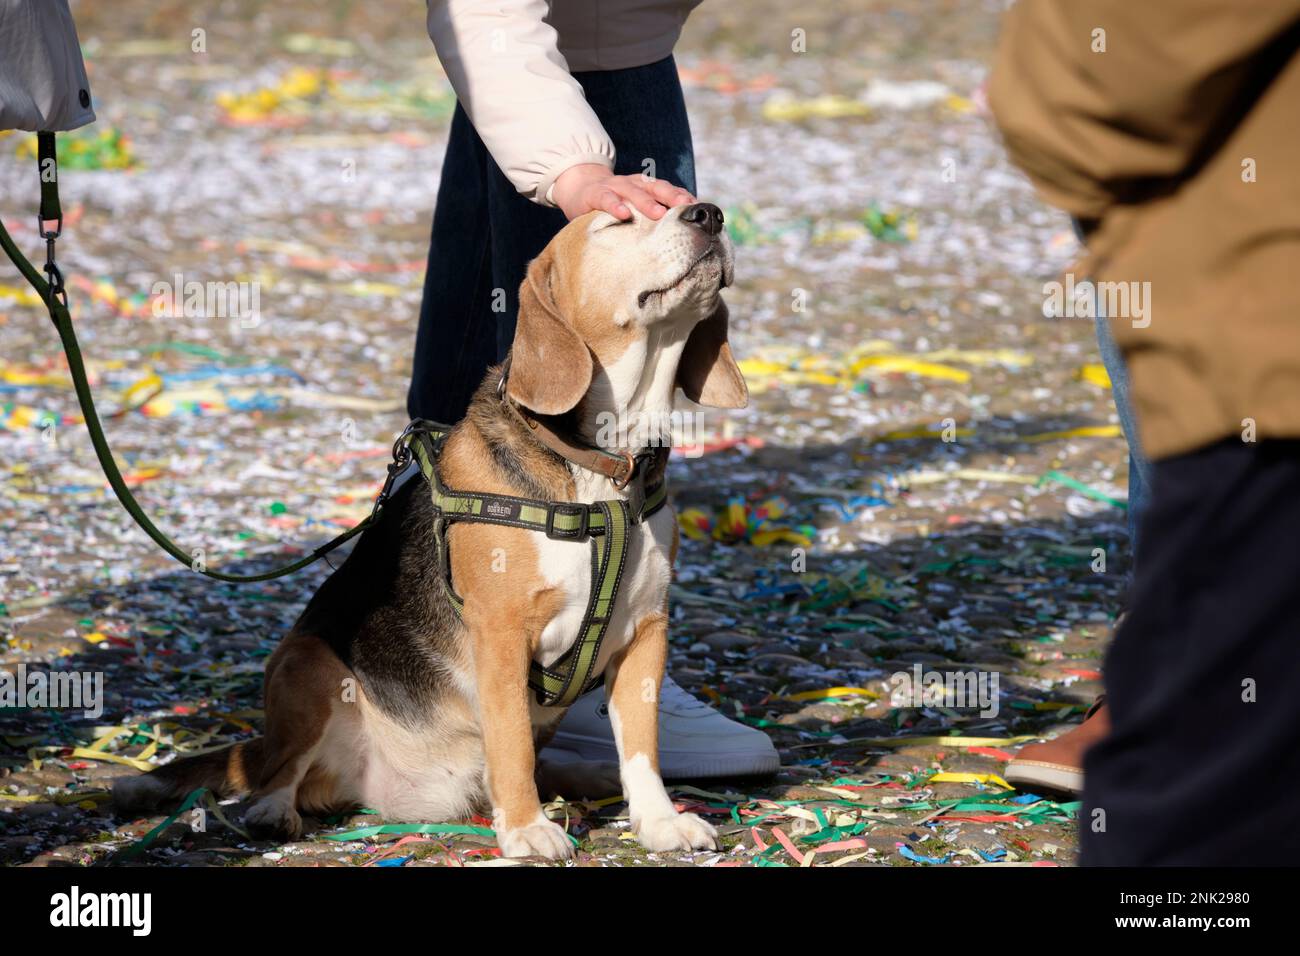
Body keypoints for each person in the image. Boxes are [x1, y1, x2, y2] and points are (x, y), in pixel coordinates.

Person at [406, 0, 778, 780]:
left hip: (615, 28)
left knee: (539, 94)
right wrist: (575, 173)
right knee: (589, 289)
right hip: (595, 37)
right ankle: (555, 669)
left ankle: (547, 657)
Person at [991, 0, 1300, 864]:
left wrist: (1105, 185)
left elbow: (1092, 79)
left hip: (1262, 344)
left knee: (1193, 835)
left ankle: (1170, 692)